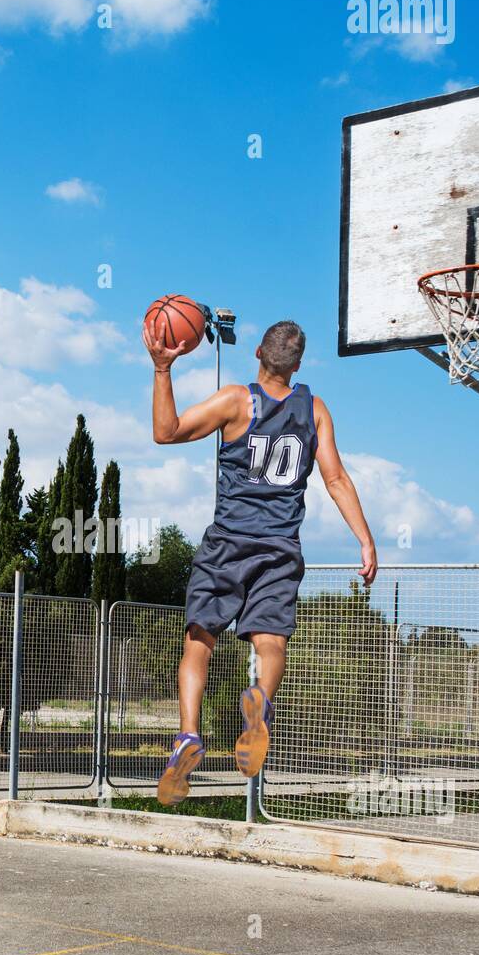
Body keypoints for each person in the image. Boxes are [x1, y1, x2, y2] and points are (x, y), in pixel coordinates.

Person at [146, 318, 377, 804]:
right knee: (270, 642)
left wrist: (162, 369)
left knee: (199, 642)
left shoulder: (236, 400)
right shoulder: (314, 410)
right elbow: (335, 480)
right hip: (279, 548)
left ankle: (188, 734)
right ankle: (260, 706)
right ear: (297, 365)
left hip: (228, 543)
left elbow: (165, 433)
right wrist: (365, 540)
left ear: (257, 353)